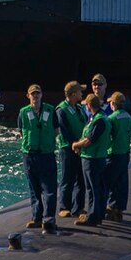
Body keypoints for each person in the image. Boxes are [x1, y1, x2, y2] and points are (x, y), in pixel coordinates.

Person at [19, 85, 58, 234]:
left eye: (37, 93)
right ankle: (37, 217)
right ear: (28, 96)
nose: (35, 96)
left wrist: (46, 142)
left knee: (49, 189)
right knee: (34, 189)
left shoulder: (50, 110)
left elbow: (56, 130)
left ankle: (49, 219)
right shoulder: (23, 112)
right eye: (32, 94)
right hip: (30, 155)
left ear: (42, 95)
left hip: (46, 154)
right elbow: (21, 131)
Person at [70, 95, 111, 227]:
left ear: (88, 105)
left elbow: (89, 140)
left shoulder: (98, 120)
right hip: (96, 156)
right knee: (96, 187)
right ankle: (97, 214)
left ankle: (93, 216)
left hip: (93, 158)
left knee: (93, 188)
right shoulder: (100, 117)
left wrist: (76, 145)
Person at [54, 81, 87, 219]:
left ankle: (79, 207)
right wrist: (75, 143)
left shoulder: (79, 108)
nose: (82, 93)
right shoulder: (61, 110)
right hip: (68, 149)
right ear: (73, 94)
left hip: (81, 148)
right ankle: (64, 207)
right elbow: (64, 130)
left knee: (81, 178)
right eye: (80, 91)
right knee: (67, 178)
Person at [104, 92, 131, 222]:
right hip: (125, 153)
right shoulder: (128, 117)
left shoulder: (111, 118)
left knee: (108, 183)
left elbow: (107, 137)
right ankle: (119, 210)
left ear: (113, 104)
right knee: (121, 183)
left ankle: (108, 207)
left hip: (114, 154)